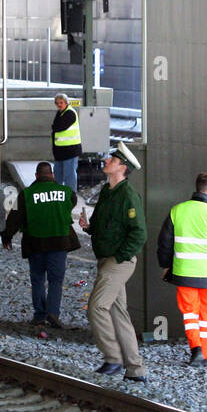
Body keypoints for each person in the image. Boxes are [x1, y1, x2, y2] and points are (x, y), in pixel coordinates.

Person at [78, 142, 148, 383]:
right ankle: (135, 370)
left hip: (118, 261)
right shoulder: (108, 192)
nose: (107, 161)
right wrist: (89, 228)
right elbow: (102, 224)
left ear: (122, 168)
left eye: (112, 160)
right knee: (119, 314)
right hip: (106, 258)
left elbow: (139, 233)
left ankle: (113, 358)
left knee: (97, 307)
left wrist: (120, 256)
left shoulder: (128, 195)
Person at [1, 161, 79, 328]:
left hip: (35, 243)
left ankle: (39, 316)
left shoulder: (26, 194)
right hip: (59, 243)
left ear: (36, 176)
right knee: (56, 281)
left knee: (37, 280)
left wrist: (6, 237)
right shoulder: (67, 192)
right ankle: (53, 313)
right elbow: (71, 204)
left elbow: (15, 218)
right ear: (52, 175)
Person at [156, 172, 207, 366]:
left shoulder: (177, 210)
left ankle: (196, 349)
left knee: (190, 312)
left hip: (184, 273)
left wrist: (165, 266)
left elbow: (164, 243)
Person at [51, 93, 82, 192]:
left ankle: (71, 196)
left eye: (61, 102)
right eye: (57, 103)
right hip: (60, 150)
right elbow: (55, 126)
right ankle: (58, 194)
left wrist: (55, 127)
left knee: (69, 175)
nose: (59, 105)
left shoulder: (70, 113)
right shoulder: (60, 112)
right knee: (58, 174)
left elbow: (58, 127)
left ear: (66, 102)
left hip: (70, 150)